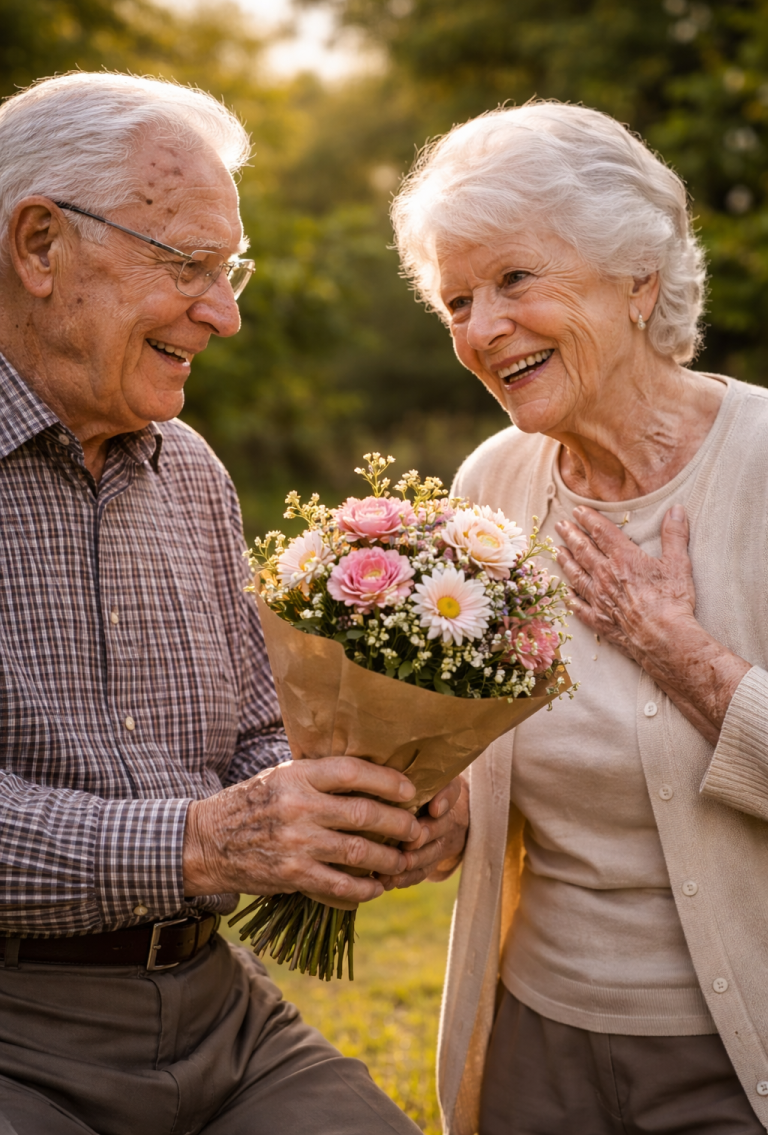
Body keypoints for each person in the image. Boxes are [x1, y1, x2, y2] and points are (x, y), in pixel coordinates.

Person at [0, 71, 465, 1135]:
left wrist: (361, 803)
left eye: (230, 269)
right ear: (39, 246)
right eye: (190, 267)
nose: (228, 314)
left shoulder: (193, 469)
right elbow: (212, 829)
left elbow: (258, 732)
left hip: (221, 1008)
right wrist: (205, 843)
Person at [390, 100, 768, 1135]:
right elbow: (499, 753)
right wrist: (440, 817)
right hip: (537, 1045)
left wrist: (678, 652)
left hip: (739, 1062)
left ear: (638, 277)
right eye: (457, 299)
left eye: (516, 279)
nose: (480, 328)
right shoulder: (494, 481)